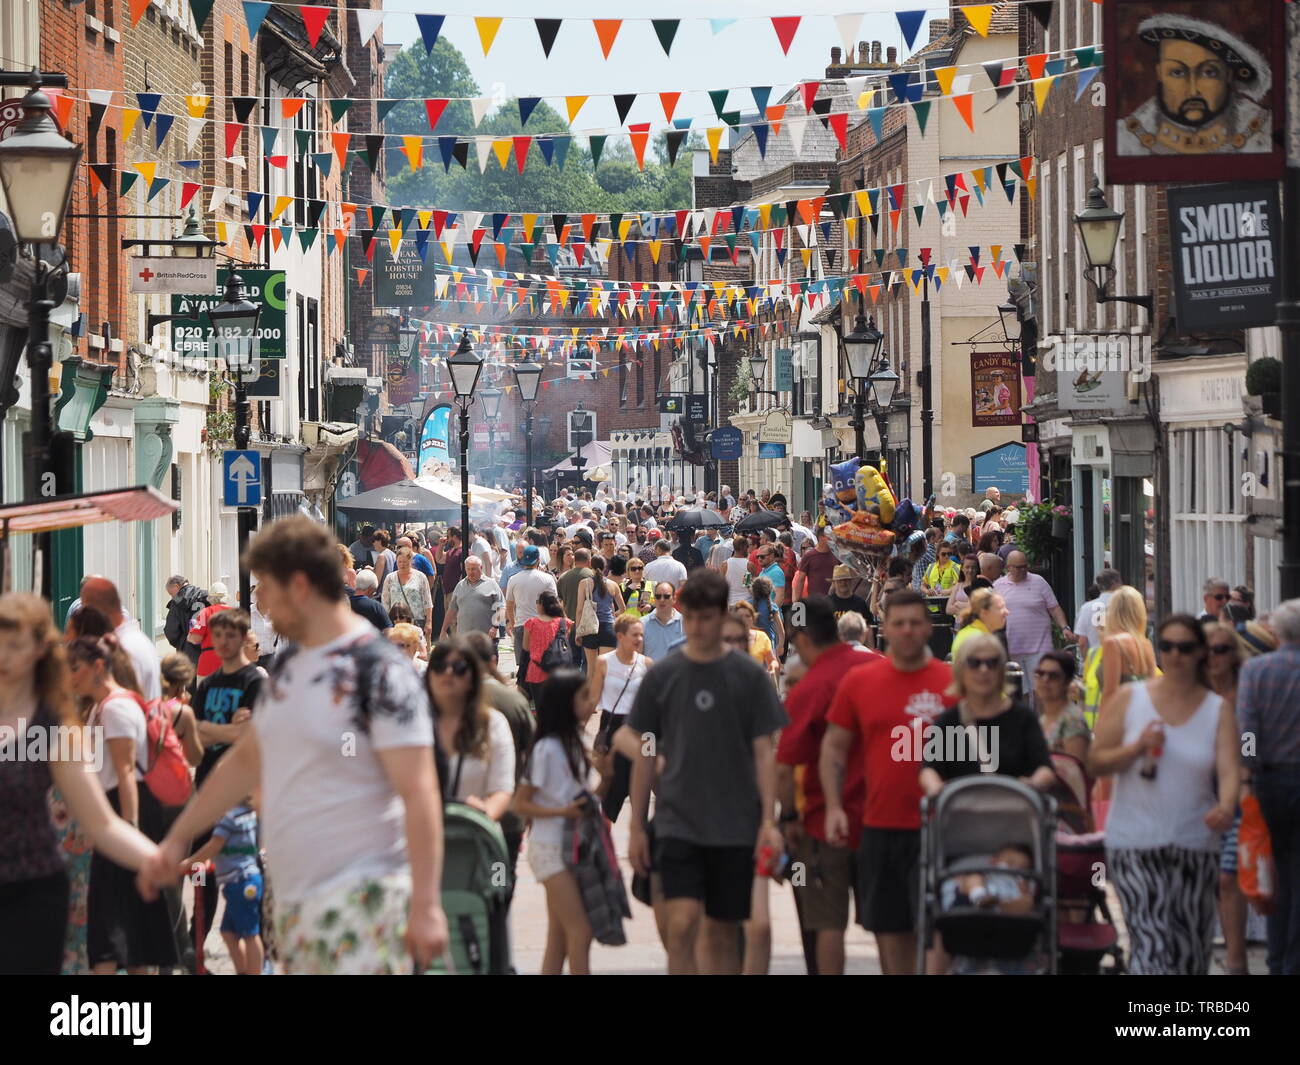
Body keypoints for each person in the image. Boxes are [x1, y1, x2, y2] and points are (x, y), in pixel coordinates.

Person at [136, 516, 449, 974]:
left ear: (299, 586)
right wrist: (179, 837)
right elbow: (247, 759)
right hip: (301, 898)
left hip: (364, 902)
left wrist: (426, 905)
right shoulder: (293, 663)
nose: (258, 601)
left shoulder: (380, 671)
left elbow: (420, 792)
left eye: (266, 588)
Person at [612, 570, 786, 976]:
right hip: (677, 822)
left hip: (735, 825)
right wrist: (638, 826)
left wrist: (767, 822)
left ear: (721, 616)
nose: (695, 627)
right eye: (689, 618)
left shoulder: (749, 677)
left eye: (705, 618)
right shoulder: (664, 675)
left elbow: (765, 752)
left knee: (722, 931)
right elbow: (643, 747)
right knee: (682, 923)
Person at [0, 596, 167, 976]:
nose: (4, 657)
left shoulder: (52, 726)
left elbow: (101, 823)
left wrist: (155, 859)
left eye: (15, 646)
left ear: (40, 651)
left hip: (31, 888)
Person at [1088, 615, 1238, 975]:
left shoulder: (1217, 709)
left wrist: (1227, 804)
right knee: (1151, 941)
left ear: (1200, 653)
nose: (1174, 655)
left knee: (1190, 950)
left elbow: (1230, 768)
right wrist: (1137, 747)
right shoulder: (1130, 698)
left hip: (1195, 842)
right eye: (1167, 646)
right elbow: (1096, 762)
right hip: (1136, 842)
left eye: (1185, 647)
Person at [820, 589, 956, 975]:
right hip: (879, 829)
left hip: (941, 832)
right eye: (899, 623)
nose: (908, 631)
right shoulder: (860, 682)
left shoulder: (953, 685)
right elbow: (833, 749)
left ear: (929, 628)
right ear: (883, 629)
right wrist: (833, 807)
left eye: (916, 623)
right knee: (889, 930)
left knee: (941, 931)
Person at [65, 637, 178, 974]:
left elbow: (126, 772)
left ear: (98, 667)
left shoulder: (115, 707)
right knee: (128, 929)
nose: (71, 678)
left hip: (126, 812)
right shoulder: (103, 706)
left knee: (112, 927)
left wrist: (129, 832)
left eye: (75, 669)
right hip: (118, 812)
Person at [775, 596, 870, 975]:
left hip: (819, 823)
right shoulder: (872, 667)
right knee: (891, 923)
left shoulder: (811, 686)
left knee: (825, 922)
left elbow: (785, 767)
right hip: (878, 818)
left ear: (803, 640)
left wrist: (788, 817)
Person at [513, 669, 603, 975]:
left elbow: (585, 799)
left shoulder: (578, 739)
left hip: (571, 846)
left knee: (560, 937)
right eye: (584, 696)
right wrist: (563, 813)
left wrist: (610, 775)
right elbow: (521, 803)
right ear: (567, 702)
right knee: (581, 931)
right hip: (551, 849)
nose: (592, 701)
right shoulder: (547, 748)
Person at [1235, 598, 1300, 974]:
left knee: (1273, 877)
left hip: (1271, 781)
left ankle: (1276, 961)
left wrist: (1248, 773)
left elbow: (1248, 732)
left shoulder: (1257, 671)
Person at [1202, 620, 1263, 976]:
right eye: (1207, 650)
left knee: (1229, 877)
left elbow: (1251, 740)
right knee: (1209, 879)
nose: (1214, 657)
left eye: (1222, 649)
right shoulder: (1192, 693)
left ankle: (1237, 958)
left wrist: (1247, 775)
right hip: (1198, 793)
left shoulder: (1245, 692)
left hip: (1239, 792)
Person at [427, 638, 515, 827]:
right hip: (418, 840)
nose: (448, 672)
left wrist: (482, 815)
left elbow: (502, 790)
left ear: (472, 678)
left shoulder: (492, 724)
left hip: (472, 841)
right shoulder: (410, 723)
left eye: (459, 667)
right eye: (439, 666)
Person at [178, 800, 263, 975]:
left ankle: (252, 972)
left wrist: (190, 862)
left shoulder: (228, 818)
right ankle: (243, 971)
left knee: (248, 933)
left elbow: (214, 845)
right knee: (228, 932)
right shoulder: (248, 813)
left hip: (238, 882)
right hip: (237, 880)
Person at [589, 614, 650, 823]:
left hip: (640, 730)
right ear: (620, 636)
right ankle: (602, 846)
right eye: (635, 635)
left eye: (641, 635)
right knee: (613, 788)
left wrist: (654, 743)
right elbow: (594, 698)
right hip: (612, 726)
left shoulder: (646, 664)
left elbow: (652, 706)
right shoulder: (604, 662)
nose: (639, 639)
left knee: (641, 788)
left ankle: (641, 841)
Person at [78, 577, 161, 702]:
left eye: (84, 609)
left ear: (95, 609)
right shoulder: (135, 639)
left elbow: (124, 704)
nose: (82, 615)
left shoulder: (124, 648)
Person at [993, 551, 1074, 677]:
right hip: (1012, 648)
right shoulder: (998, 586)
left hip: (1040, 647)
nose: (1023, 570)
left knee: (1041, 687)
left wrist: (1065, 627)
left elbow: (1054, 608)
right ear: (1008, 567)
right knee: (1020, 691)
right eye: (1019, 567)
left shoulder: (1039, 582)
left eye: (1025, 566)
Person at [507, 545, 560, 686]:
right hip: (543, 625)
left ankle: (525, 694)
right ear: (538, 560)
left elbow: (509, 605)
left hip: (521, 625)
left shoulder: (513, 579)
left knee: (523, 664)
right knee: (542, 662)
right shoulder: (547, 579)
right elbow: (555, 603)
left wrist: (512, 623)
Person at [1100, 586, 1158, 704]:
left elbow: (1110, 693)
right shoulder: (1145, 644)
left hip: (1120, 716)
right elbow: (1152, 686)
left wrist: (1102, 721)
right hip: (1142, 714)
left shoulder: (1113, 643)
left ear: (1113, 612)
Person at [1034, 650, 1089, 760]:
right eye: (1040, 673)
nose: (1045, 679)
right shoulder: (1044, 718)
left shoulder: (1072, 720)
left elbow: (1076, 769)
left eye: (1053, 676)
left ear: (1067, 681)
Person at [576, 555, 626, 673]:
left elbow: (579, 609)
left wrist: (578, 632)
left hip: (590, 628)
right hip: (608, 627)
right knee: (605, 670)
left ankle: (591, 691)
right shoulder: (613, 585)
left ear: (590, 565)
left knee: (591, 670)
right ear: (605, 567)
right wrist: (613, 615)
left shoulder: (584, 583)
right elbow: (623, 609)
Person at [522, 591, 570, 704]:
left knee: (540, 709)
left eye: (537, 602)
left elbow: (526, 647)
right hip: (559, 672)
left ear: (542, 605)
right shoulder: (565, 623)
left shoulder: (531, 623)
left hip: (536, 672)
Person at [441, 554, 504, 639]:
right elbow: (452, 610)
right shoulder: (460, 585)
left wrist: (495, 627)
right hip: (464, 639)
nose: (471, 572)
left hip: (487, 637)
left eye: (474, 569)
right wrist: (443, 630)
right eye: (468, 569)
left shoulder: (491, 584)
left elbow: (502, 607)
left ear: (481, 568)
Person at [382, 547, 434, 648]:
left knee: (419, 651)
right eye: (400, 561)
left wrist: (429, 622)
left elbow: (427, 601)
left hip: (417, 621)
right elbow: (385, 602)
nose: (402, 564)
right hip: (397, 621)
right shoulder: (390, 578)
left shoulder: (421, 577)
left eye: (405, 562)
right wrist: (387, 623)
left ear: (411, 561)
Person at [186, 581, 233, 684]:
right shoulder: (236, 614)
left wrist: (190, 634)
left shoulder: (204, 613)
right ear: (226, 597)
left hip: (209, 663)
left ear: (210, 598)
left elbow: (195, 638)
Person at [950, 588, 1009, 661]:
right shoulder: (979, 640)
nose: (1006, 612)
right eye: (1000, 608)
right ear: (984, 613)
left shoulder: (973, 633)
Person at [1076, 568, 1122, 656]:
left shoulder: (1086, 608)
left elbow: (1082, 643)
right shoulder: (1126, 605)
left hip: (1096, 660)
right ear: (1115, 583)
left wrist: (1087, 662)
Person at [163, 575, 208, 656]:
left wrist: (181, 644)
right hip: (206, 648)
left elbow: (171, 631)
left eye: (171, 593)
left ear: (176, 587)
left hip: (187, 650)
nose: (172, 597)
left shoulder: (176, 603)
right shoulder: (206, 596)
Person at [641, 582, 685, 663]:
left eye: (666, 596)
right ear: (654, 599)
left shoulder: (685, 623)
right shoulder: (642, 623)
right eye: (658, 596)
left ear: (674, 599)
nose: (662, 600)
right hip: (650, 674)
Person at [793, 529, 836, 602]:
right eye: (829, 536)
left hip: (833, 601)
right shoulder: (809, 556)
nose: (832, 539)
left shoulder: (836, 555)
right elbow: (800, 580)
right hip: (814, 602)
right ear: (820, 537)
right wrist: (797, 603)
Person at [749, 576, 785, 661]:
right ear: (770, 590)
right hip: (769, 642)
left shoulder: (748, 605)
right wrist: (780, 645)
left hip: (752, 644)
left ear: (753, 590)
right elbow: (781, 631)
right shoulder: (772, 607)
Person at [719, 535, 752, 607]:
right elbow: (749, 584)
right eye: (747, 546)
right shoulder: (749, 565)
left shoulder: (724, 564)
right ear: (744, 547)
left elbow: (721, 585)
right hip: (746, 603)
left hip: (730, 603)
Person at [945, 553, 982, 618]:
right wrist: (968, 609)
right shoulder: (958, 586)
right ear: (962, 568)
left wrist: (958, 604)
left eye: (973, 567)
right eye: (967, 567)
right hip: (959, 625)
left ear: (977, 569)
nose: (970, 570)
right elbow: (948, 609)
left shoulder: (981, 586)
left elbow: (978, 608)